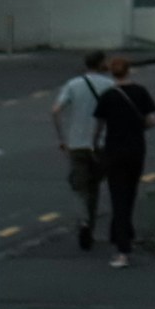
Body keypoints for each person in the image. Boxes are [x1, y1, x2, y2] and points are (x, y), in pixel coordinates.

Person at [90, 52, 155, 266]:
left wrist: (94, 144)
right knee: (130, 192)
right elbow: (152, 120)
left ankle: (122, 249)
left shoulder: (108, 96)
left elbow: (99, 125)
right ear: (129, 70)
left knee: (117, 196)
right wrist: (139, 125)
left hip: (114, 150)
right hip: (136, 149)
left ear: (111, 73)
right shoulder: (140, 92)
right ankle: (124, 233)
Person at [47, 57, 108, 238]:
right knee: (94, 185)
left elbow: (56, 110)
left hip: (76, 142)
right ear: (101, 65)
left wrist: (61, 138)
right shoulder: (109, 85)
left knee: (79, 186)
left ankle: (83, 220)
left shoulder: (73, 84)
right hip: (101, 143)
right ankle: (91, 224)